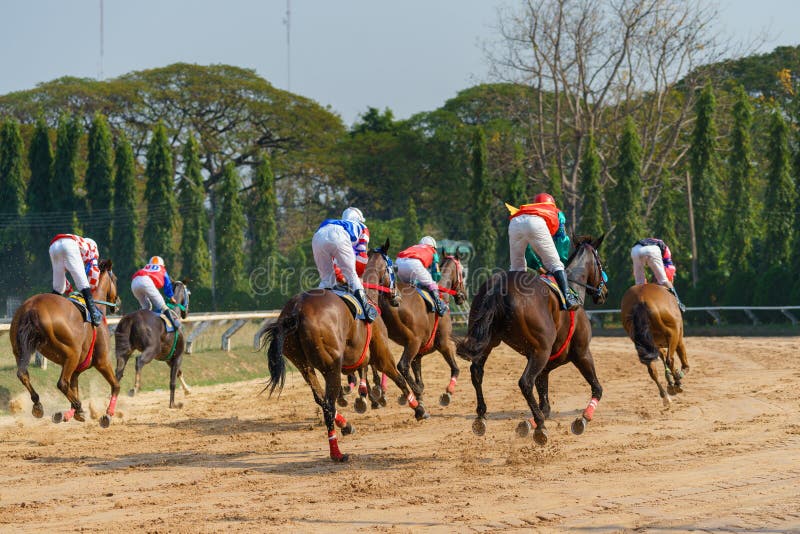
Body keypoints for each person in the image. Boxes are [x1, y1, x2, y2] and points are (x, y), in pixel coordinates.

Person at [508, 193, 579, 310]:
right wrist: (560, 263)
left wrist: (537, 266)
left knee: (516, 267)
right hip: (535, 222)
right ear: (552, 204)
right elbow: (562, 240)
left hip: (515, 221)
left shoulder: (529, 209)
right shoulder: (556, 212)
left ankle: (509, 298)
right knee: (555, 264)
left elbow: (527, 250)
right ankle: (568, 298)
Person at [312, 207, 378, 322]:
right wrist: (359, 276)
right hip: (340, 236)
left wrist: (339, 276)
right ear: (359, 219)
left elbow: (335, 262)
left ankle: (314, 307)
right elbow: (362, 256)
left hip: (318, 235)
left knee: (326, 280)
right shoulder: (362, 227)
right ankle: (366, 310)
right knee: (352, 276)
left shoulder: (334, 222)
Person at [49, 233, 104, 326]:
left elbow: (64, 281)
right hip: (69, 244)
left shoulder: (80, 245)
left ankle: (50, 309)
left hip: (53, 246)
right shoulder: (92, 248)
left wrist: (70, 292)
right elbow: (94, 271)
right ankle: (94, 313)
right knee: (83, 283)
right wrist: (91, 292)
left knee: (58, 288)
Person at [396, 236, 448, 316]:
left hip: (398, 263)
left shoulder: (414, 247)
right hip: (413, 264)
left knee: (410, 285)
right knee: (432, 283)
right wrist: (434, 282)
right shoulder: (432, 250)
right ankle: (439, 306)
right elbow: (436, 274)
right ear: (433, 246)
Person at [631, 237, 686, 312]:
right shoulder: (665, 249)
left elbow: (635, 273)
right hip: (652, 250)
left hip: (635, 250)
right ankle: (678, 303)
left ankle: (637, 305)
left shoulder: (654, 243)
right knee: (664, 280)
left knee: (639, 284)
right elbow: (670, 268)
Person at [131, 256, 180, 325]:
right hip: (146, 281)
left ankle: (138, 323)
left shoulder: (146, 267)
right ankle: (174, 325)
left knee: (146, 307)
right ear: (162, 265)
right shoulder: (162, 269)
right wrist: (171, 297)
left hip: (134, 282)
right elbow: (167, 285)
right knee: (163, 306)